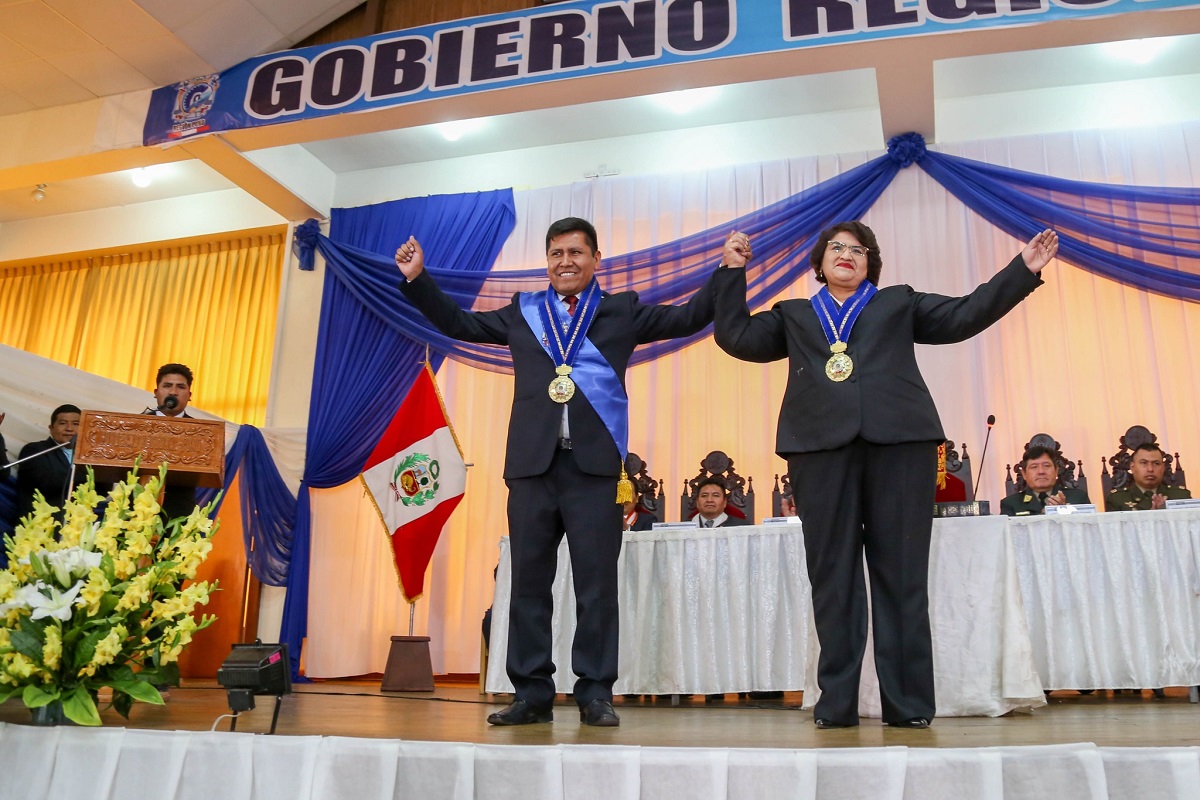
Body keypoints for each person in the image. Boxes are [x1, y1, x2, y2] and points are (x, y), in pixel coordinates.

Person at [713, 221, 1056, 729]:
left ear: (871, 263)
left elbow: (964, 315)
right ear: (819, 261)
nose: (847, 255)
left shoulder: (898, 303)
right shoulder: (794, 314)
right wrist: (732, 272)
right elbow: (736, 336)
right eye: (836, 248)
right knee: (833, 580)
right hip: (819, 451)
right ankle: (836, 705)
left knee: (902, 579)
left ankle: (909, 705)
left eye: (858, 250)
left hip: (901, 446)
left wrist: (1022, 270)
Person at [395, 217, 717, 727]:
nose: (565, 262)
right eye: (555, 254)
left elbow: (689, 317)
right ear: (547, 261)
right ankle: (531, 694)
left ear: (595, 259)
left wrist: (728, 272)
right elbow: (461, 326)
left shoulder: (620, 310)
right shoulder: (524, 312)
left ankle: (595, 693)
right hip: (531, 468)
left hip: (594, 471)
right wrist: (418, 280)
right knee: (526, 585)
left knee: (596, 588)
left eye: (575, 252)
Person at [144, 363, 199, 522]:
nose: (173, 392)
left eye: (180, 387)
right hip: (137, 512)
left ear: (189, 394)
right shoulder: (136, 425)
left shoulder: (200, 431)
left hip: (180, 513)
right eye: (167, 386)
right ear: (156, 392)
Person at [15, 404, 83, 521]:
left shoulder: (88, 456)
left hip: (79, 527)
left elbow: (102, 488)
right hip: (41, 526)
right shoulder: (35, 450)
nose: (69, 428)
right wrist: (88, 480)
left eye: (76, 424)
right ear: (51, 428)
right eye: (62, 423)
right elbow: (51, 482)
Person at [1000, 444, 1091, 516]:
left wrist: (1065, 513)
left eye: (1047, 466)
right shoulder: (1010, 504)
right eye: (1034, 467)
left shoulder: (1078, 497)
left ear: (1056, 471)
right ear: (1024, 474)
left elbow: (1088, 533)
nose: (1041, 471)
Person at [1105, 443, 1192, 511]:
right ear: (1132, 467)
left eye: (1156, 463)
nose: (1150, 469)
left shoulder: (1181, 496)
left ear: (1163, 468)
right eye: (1143, 463)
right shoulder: (1116, 499)